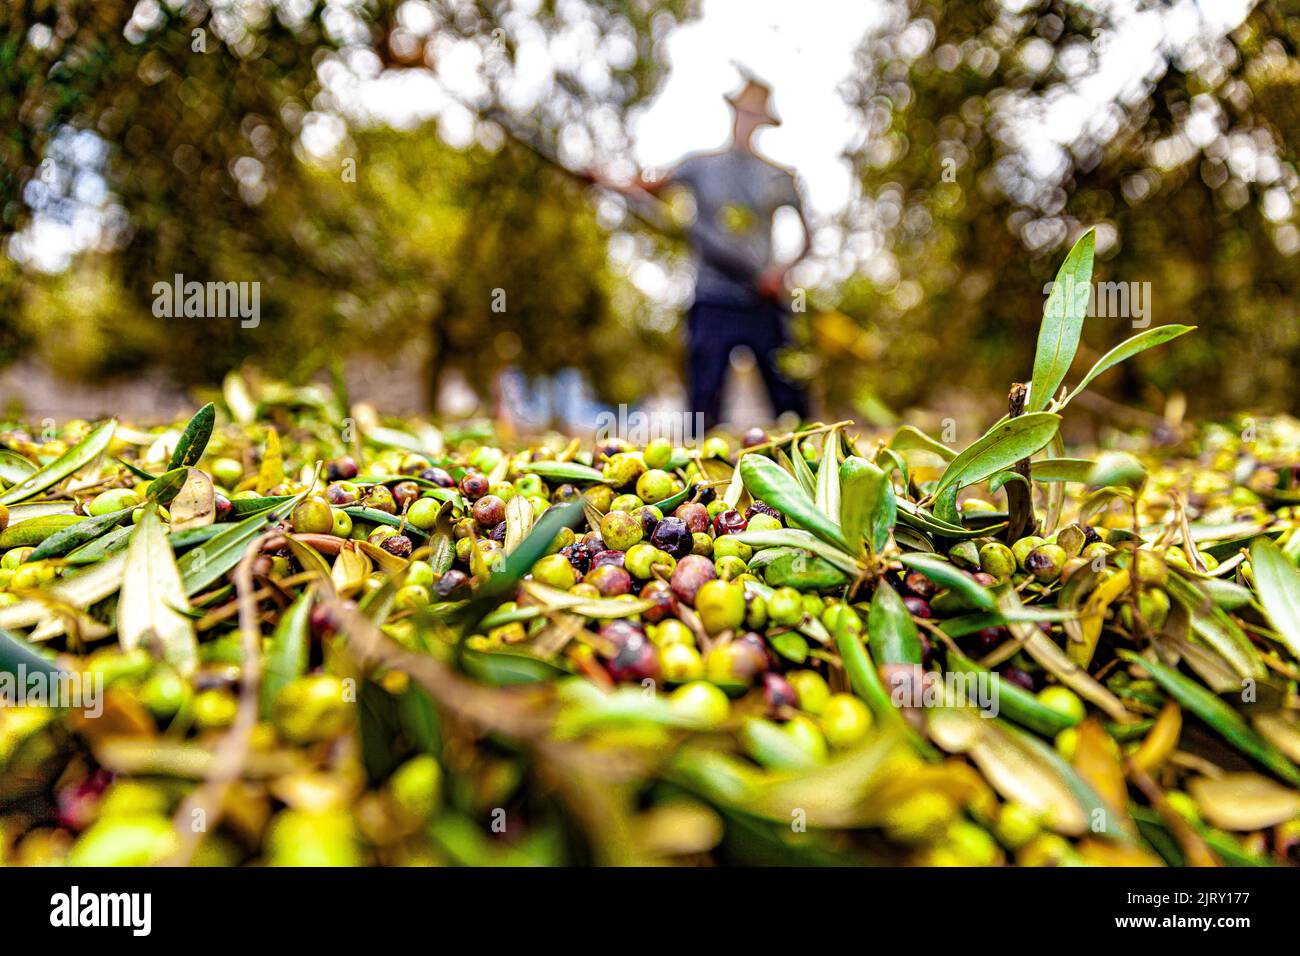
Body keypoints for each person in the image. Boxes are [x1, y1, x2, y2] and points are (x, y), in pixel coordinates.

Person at [591, 75, 811, 429]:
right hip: (712, 297)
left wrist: (780, 272)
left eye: (757, 114)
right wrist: (604, 180)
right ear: (735, 112)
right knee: (702, 402)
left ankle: (809, 458)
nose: (749, 119)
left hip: (761, 301)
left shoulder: (779, 177)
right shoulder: (700, 166)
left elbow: (807, 240)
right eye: (746, 111)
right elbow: (647, 187)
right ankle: (704, 466)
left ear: (764, 122)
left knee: (790, 396)